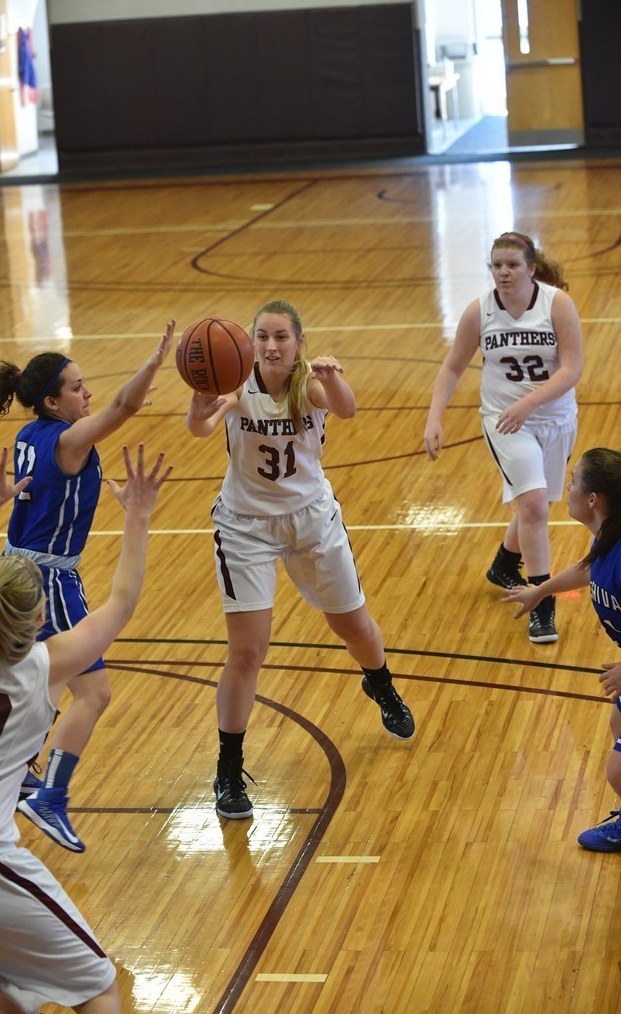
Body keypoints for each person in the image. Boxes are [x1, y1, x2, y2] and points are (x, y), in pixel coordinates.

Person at [0, 439, 170, 1014]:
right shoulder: (44, 665)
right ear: (40, 619)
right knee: (99, 985)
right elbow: (122, 602)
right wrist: (138, 516)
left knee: (11, 977)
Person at [186, 299, 415, 820]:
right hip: (245, 527)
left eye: (281, 337)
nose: (271, 345)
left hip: (312, 521)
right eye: (262, 336)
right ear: (248, 341)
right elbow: (200, 427)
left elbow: (348, 407)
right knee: (247, 651)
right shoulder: (235, 382)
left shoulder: (309, 383)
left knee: (353, 626)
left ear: (299, 343)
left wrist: (334, 379)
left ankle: (380, 683)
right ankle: (228, 768)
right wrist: (201, 409)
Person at [0, 324, 174, 852]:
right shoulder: (69, 441)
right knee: (92, 693)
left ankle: (17, 767)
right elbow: (121, 407)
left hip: (12, 568)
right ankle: (49, 796)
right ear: (51, 401)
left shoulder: (30, 435)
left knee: (42, 682)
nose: (86, 392)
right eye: (76, 387)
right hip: (49, 578)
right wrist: (154, 364)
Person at [424, 231, 583, 644]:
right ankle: (540, 604)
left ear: (532, 268)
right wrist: (433, 419)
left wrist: (530, 402)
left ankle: (504, 562)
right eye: (497, 266)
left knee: (537, 503)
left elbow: (572, 370)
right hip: (505, 421)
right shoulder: (480, 312)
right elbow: (452, 368)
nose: (504, 273)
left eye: (512, 265)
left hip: (555, 417)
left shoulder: (557, 304)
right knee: (532, 505)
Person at [505, 448, 621, 852]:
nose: (566, 487)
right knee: (618, 726)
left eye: (573, 481)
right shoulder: (609, 537)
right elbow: (588, 566)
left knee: (618, 772)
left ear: (594, 499)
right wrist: (540, 590)